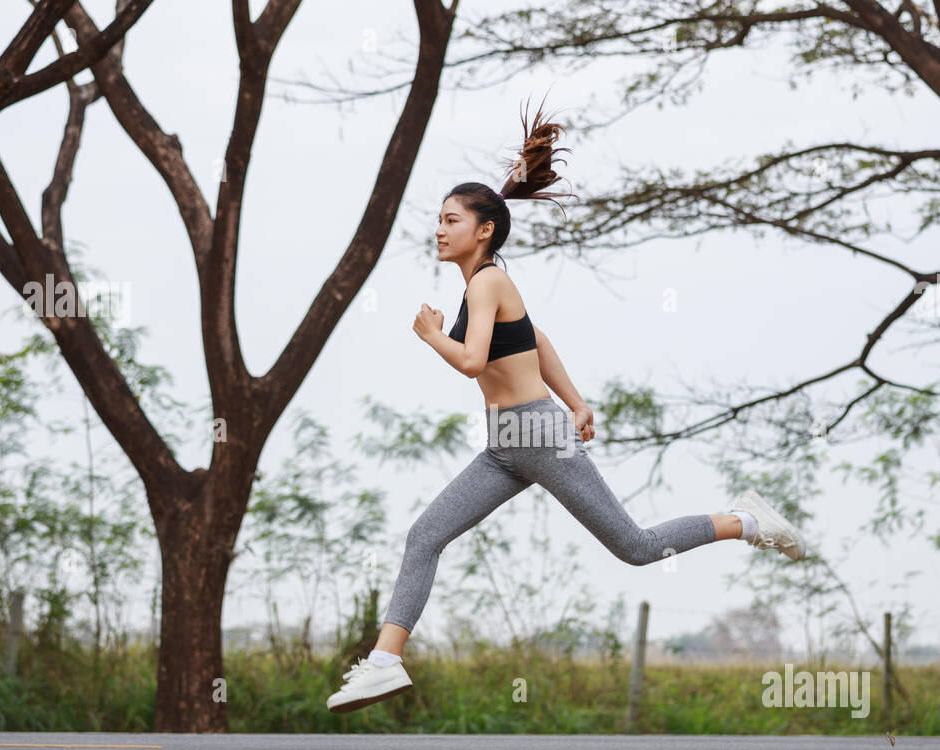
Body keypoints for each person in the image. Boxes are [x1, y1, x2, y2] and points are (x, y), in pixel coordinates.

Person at [327, 97, 806, 714]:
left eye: (450, 219)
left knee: (635, 546)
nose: (439, 229)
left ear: (484, 229)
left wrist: (430, 336)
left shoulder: (488, 280)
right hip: (506, 447)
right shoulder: (484, 286)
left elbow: (472, 362)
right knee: (425, 535)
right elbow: (537, 339)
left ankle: (748, 522)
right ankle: (385, 664)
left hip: (538, 438)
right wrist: (576, 399)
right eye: (438, 219)